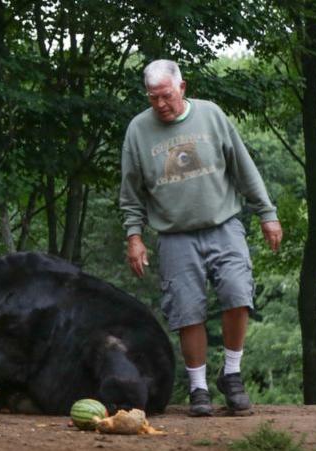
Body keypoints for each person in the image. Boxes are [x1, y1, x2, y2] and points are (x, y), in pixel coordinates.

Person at [119, 59, 283, 417]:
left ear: (182, 87)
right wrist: (134, 236)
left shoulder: (211, 115)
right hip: (174, 234)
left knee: (237, 293)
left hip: (223, 224)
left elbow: (243, 167)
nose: (160, 104)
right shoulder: (138, 130)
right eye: (153, 98)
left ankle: (232, 375)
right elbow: (130, 193)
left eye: (166, 95)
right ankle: (198, 388)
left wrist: (267, 213)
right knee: (187, 309)